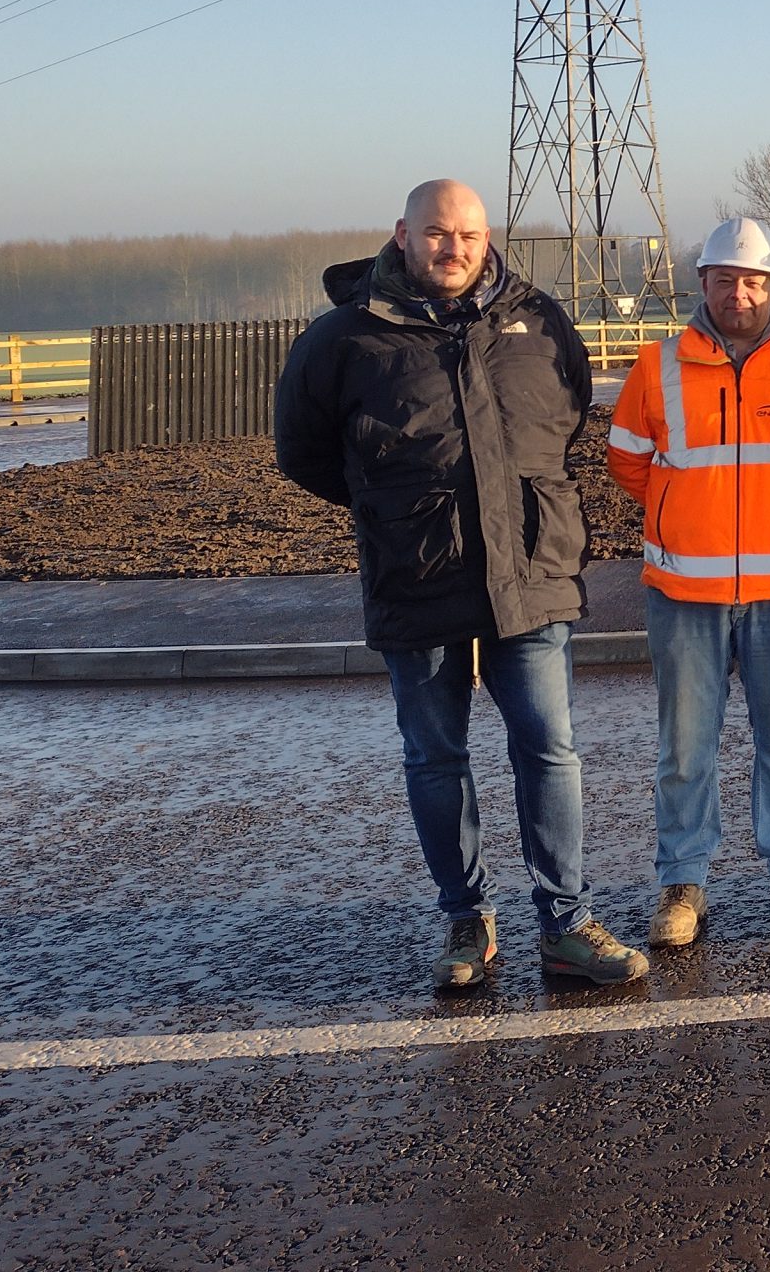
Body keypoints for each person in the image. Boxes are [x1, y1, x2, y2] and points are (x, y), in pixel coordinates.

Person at [273, 179, 648, 989]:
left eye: (469, 235)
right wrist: (393, 507)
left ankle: (566, 923)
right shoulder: (345, 337)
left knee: (550, 749)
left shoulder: (538, 319)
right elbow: (302, 452)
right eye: (438, 233)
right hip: (417, 575)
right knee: (436, 757)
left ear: (488, 239)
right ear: (402, 235)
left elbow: (567, 415)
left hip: (532, 573)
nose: (454, 248)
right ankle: (466, 921)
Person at [606, 217, 770, 948]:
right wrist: (688, 518)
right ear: (704, 284)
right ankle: (683, 881)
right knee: (685, 746)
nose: (739, 294)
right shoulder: (657, 366)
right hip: (683, 590)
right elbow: (627, 461)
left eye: (753, 281)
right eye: (725, 280)